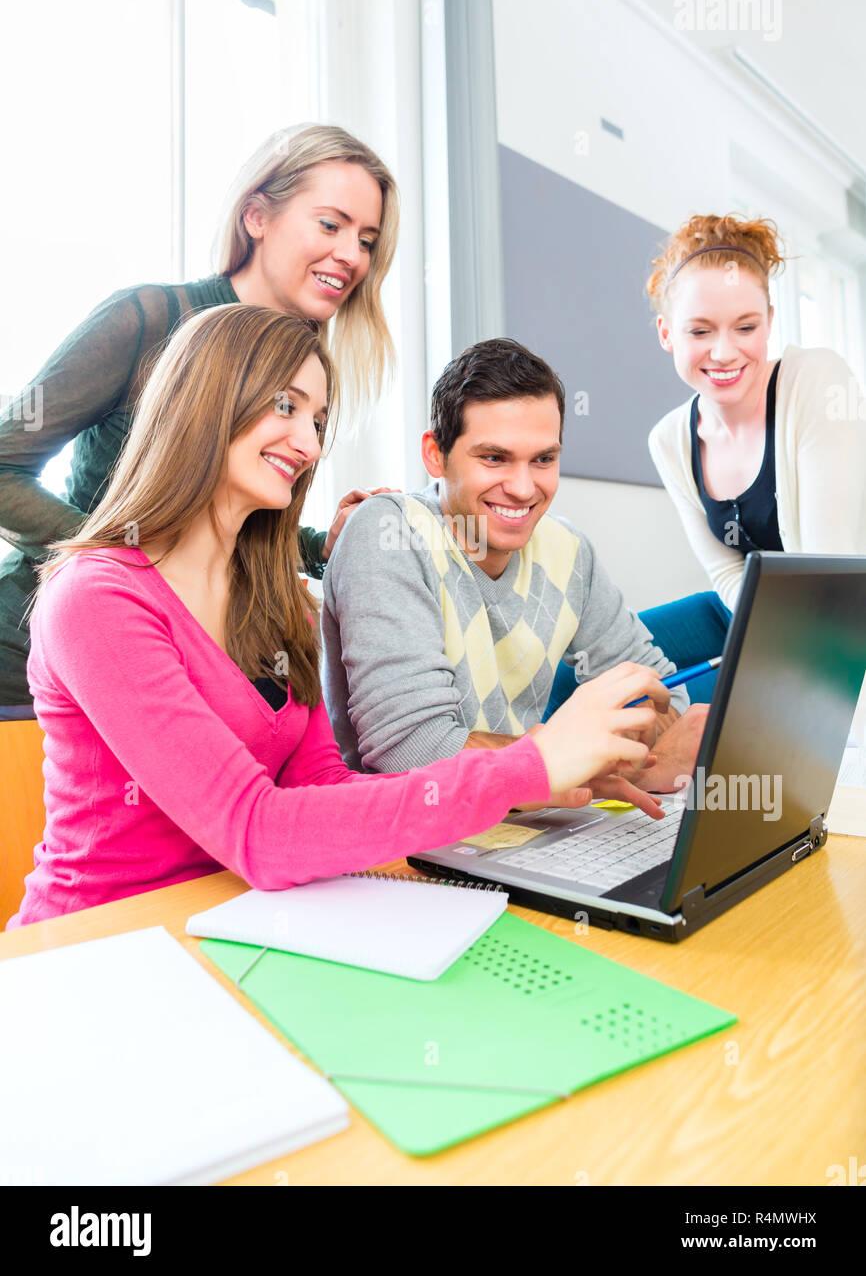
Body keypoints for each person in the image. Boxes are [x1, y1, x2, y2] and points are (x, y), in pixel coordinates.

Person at [6, 306, 672, 930]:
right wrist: (529, 767)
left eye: (318, 419)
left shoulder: (277, 599)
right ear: (203, 401)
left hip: (247, 922)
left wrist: (551, 783)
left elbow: (323, 788)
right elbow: (257, 831)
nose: (307, 442)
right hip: (101, 946)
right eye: (286, 406)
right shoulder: (98, 599)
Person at [0, 122, 399, 715]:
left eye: (367, 239)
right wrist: (123, 560)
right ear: (256, 217)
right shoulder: (148, 319)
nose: (351, 256)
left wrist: (320, 545)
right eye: (331, 224)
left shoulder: (306, 373)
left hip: (169, 665)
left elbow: (220, 533)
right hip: (30, 663)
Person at [322, 338, 707, 816]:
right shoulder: (389, 535)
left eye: (543, 459)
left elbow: (662, 696)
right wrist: (606, 765)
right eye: (494, 458)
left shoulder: (570, 554)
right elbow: (412, 754)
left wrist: (631, 747)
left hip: (520, 826)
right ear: (435, 455)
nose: (525, 489)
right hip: (400, 846)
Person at [546, 212, 866, 714]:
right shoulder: (669, 439)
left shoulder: (817, 381)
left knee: (672, 717)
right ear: (666, 333)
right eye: (699, 330)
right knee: (577, 680)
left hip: (837, 626)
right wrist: (754, 641)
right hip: (745, 614)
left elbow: (833, 573)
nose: (724, 351)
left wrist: (773, 661)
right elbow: (725, 572)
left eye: (745, 327)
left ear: (769, 323)